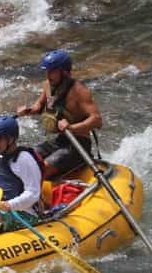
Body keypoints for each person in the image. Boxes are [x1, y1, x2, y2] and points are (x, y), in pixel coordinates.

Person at [16, 49, 102, 179]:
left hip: (78, 144)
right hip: (59, 140)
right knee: (27, 159)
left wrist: (72, 128)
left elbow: (96, 120)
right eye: (47, 71)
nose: (48, 75)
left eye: (52, 71)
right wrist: (27, 111)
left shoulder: (79, 91)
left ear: (64, 72)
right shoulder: (47, 85)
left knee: (42, 169)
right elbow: (39, 107)